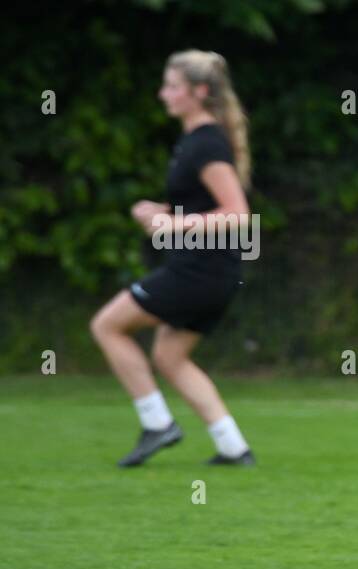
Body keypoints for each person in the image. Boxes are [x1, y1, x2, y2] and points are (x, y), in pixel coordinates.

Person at [90, 50, 256, 467]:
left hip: (199, 270)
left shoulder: (206, 145)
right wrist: (161, 212)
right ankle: (233, 447)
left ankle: (157, 423)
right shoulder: (198, 141)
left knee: (108, 326)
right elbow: (197, 205)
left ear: (199, 92)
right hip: (214, 272)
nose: (163, 94)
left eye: (172, 86)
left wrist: (172, 224)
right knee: (169, 356)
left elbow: (238, 214)